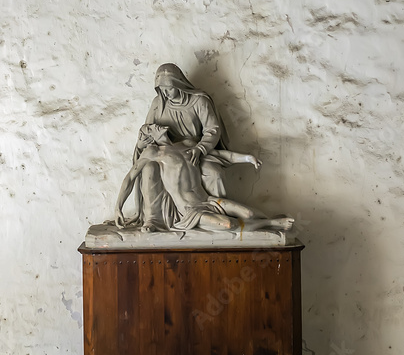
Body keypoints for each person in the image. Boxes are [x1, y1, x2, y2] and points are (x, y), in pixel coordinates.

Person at [116, 125, 294, 234]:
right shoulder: (153, 153)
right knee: (227, 224)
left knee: (249, 214)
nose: (154, 125)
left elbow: (223, 155)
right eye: (149, 128)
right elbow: (130, 178)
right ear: (149, 138)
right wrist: (118, 207)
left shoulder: (186, 146)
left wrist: (247, 158)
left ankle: (271, 221)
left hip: (208, 200)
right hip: (190, 210)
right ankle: (272, 224)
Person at [130, 64, 232, 231]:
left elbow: (212, 129)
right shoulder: (158, 103)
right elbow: (147, 130)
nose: (165, 93)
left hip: (196, 152)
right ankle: (154, 219)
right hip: (167, 153)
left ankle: (216, 218)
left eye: (168, 88)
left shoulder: (199, 101)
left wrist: (201, 149)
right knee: (149, 168)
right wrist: (147, 141)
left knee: (215, 173)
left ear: (178, 84)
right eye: (161, 89)